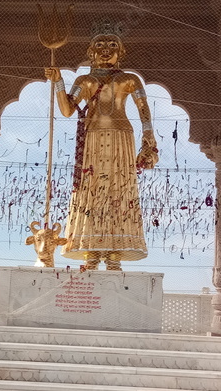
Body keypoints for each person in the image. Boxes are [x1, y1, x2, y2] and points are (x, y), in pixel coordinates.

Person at [45, 33, 158, 270]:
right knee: (92, 190)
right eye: (100, 45)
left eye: (112, 45)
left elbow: (143, 107)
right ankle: (92, 251)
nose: (106, 49)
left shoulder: (129, 79)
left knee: (119, 189)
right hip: (93, 138)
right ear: (91, 52)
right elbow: (67, 110)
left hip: (121, 137)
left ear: (121, 52)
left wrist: (148, 134)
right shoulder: (85, 80)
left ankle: (115, 253)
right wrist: (58, 82)